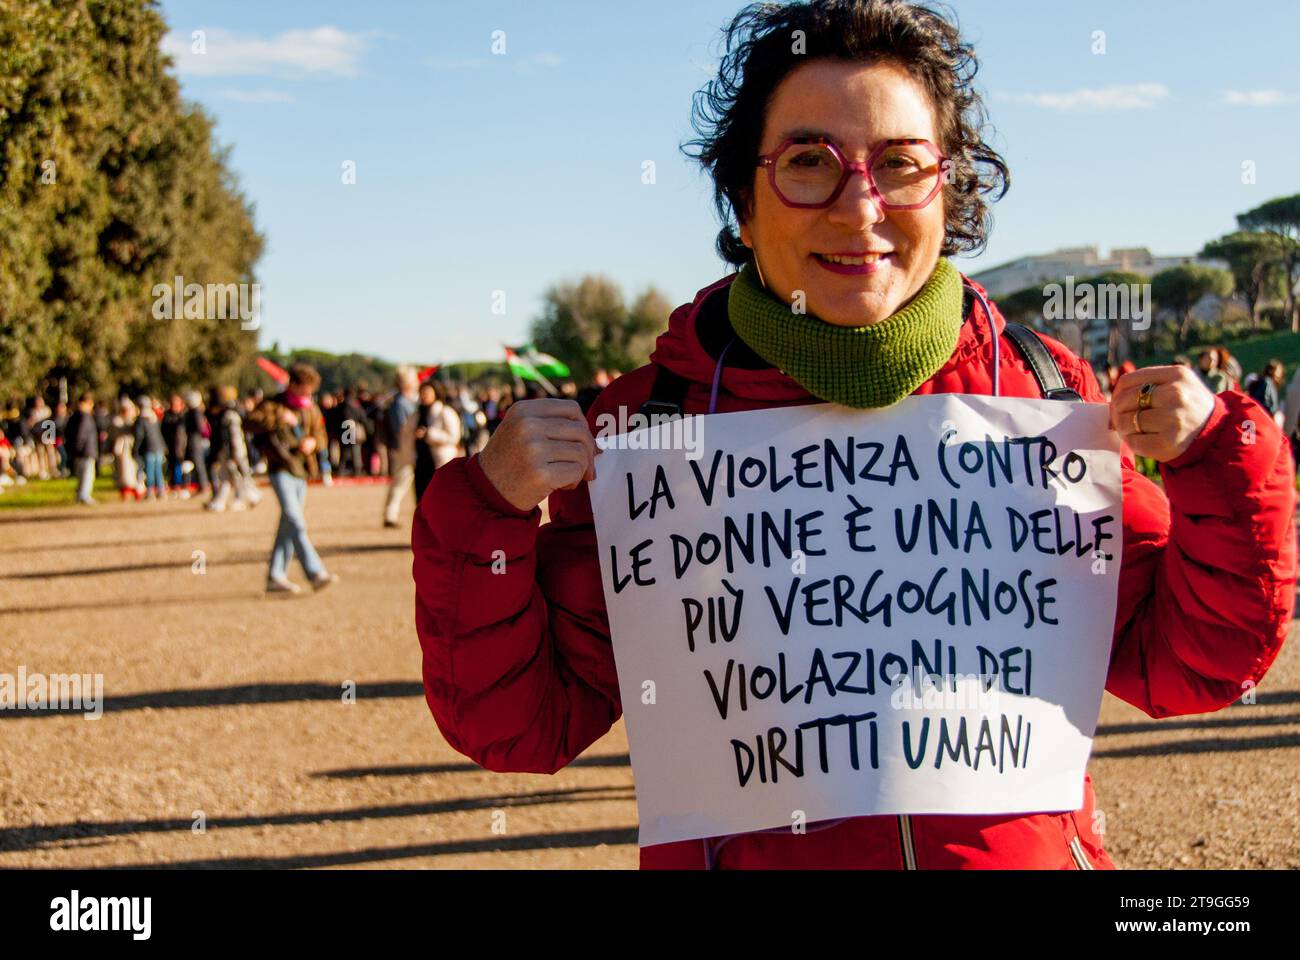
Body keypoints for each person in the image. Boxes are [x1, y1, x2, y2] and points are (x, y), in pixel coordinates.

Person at [413, 0, 1295, 869]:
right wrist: (489, 509)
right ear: (744, 204)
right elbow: (521, 727)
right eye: (808, 160)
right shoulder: (652, 426)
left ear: (949, 191)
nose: (859, 205)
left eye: (901, 164)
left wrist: (1221, 453)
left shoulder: (1040, 391)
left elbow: (1187, 667)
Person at [247, 363, 338, 594]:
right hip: (280, 469)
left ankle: (275, 576)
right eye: (305, 389)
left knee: (288, 525)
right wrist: (279, 417)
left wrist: (314, 443)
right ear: (293, 385)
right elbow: (250, 422)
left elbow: (321, 435)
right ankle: (316, 572)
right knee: (296, 521)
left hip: (302, 471)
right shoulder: (273, 404)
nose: (308, 395)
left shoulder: (310, 408)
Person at [382, 366, 421, 528]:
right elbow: (401, 429)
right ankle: (390, 514)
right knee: (401, 480)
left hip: (408, 447)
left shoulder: (407, 401)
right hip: (405, 448)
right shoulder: (401, 403)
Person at [414, 381, 462, 504]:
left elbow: (454, 437)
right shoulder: (419, 412)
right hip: (422, 461)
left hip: (440, 460)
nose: (423, 395)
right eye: (421, 392)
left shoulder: (445, 411)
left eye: (427, 392)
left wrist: (428, 434)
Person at [64, 392, 100, 505]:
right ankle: (84, 495)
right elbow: (81, 434)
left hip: (79, 451)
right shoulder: (84, 417)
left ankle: (80, 494)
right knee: (87, 475)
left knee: (81, 475)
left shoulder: (74, 416)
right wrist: (78, 447)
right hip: (86, 450)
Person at [133, 396, 167, 499]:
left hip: (148, 448)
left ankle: (150, 492)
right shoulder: (154, 417)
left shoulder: (141, 420)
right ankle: (161, 491)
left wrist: (135, 449)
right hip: (159, 447)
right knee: (158, 470)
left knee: (150, 471)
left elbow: (139, 436)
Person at [109, 397, 142, 501]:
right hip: (122, 450)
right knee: (124, 472)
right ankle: (125, 492)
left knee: (134, 470)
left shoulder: (132, 421)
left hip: (132, 449)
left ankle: (136, 491)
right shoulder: (117, 421)